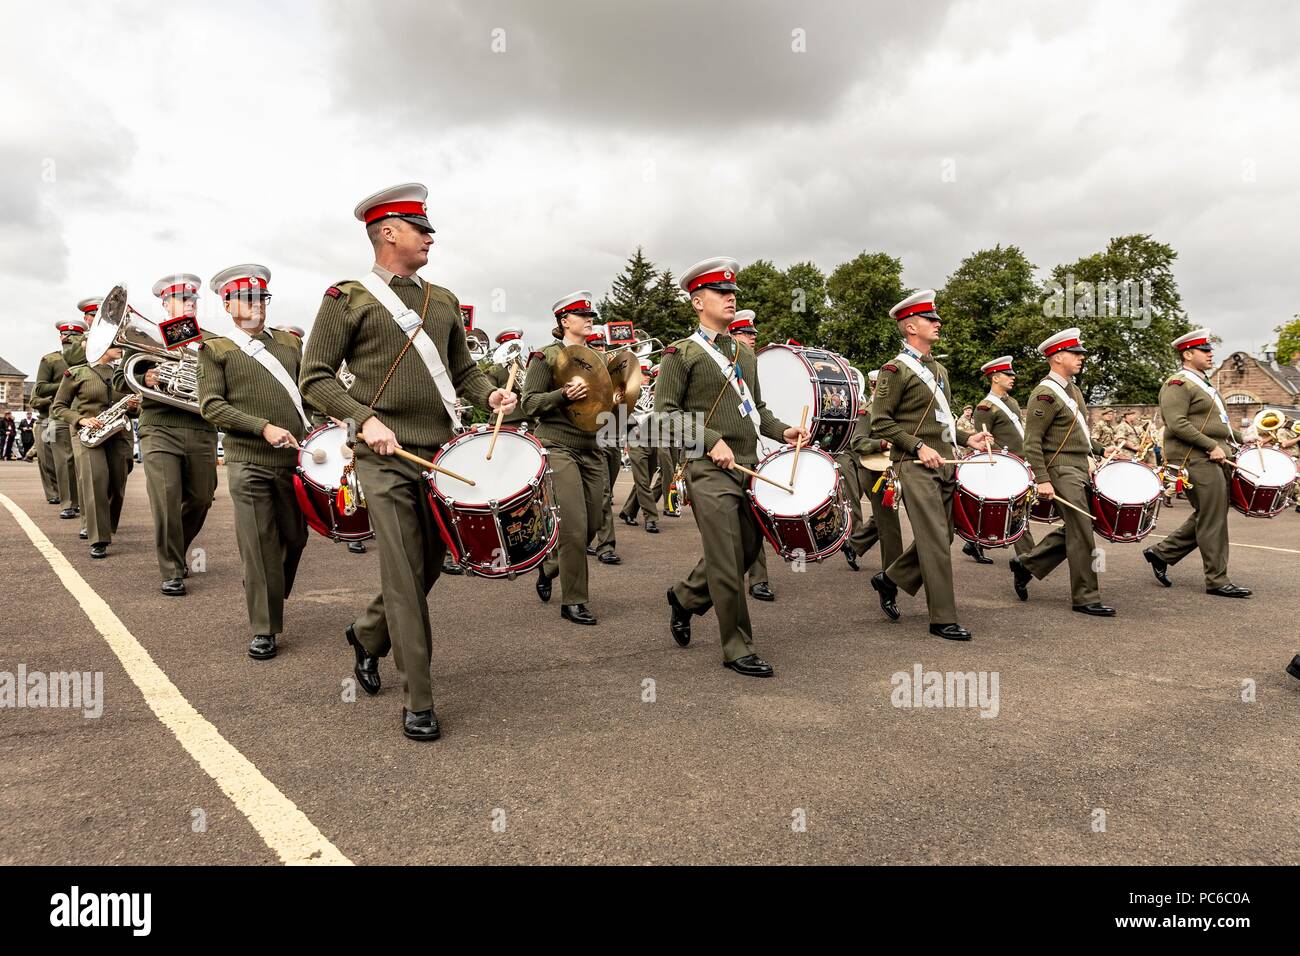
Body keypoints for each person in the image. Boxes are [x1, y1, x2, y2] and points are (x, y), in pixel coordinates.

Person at [300, 182, 515, 741]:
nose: (430, 237)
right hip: (384, 453)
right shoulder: (346, 298)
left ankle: (367, 635)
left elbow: (463, 370)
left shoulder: (441, 300)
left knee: (427, 566)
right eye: (421, 229)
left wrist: (490, 393)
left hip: (439, 453)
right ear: (388, 233)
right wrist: (363, 418)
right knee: (401, 567)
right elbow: (316, 378)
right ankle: (419, 698)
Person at [657, 257, 806, 676]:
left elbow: (756, 408)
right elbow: (665, 414)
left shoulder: (743, 352)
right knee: (725, 556)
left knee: (744, 552)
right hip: (708, 469)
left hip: (750, 466)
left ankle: (684, 597)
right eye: (721, 293)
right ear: (697, 302)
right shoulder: (680, 354)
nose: (731, 298)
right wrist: (709, 440)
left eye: (732, 292)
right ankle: (737, 647)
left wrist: (784, 431)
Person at [198, 264, 311, 660]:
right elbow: (211, 405)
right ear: (229, 305)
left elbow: (306, 395)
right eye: (247, 299)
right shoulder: (215, 349)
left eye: (261, 298)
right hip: (249, 462)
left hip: (295, 460)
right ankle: (264, 626)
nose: (257, 305)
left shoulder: (288, 344)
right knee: (260, 545)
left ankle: (269, 590)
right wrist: (261, 427)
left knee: (296, 538)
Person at [868, 290, 992, 641]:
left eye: (936, 318)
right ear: (910, 326)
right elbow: (880, 422)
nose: (938, 323)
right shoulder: (895, 370)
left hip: (945, 463)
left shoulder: (939, 369)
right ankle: (943, 617)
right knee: (936, 539)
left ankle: (889, 579)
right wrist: (917, 446)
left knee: (947, 533)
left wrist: (969, 439)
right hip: (913, 464)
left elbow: (944, 421)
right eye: (930, 319)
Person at [118, 275, 218, 596]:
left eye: (192, 299)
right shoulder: (148, 337)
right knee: (165, 497)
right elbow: (118, 382)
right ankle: (172, 568)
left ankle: (177, 545)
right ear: (165, 304)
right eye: (180, 299)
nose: (189, 303)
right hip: (159, 426)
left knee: (202, 497)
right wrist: (146, 375)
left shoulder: (211, 341)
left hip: (201, 428)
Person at [1009, 327, 1115, 616]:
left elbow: (1075, 431)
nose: (1081, 358)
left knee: (1078, 527)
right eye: (1074, 353)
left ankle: (1027, 563)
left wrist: (1099, 448)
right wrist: (1042, 479)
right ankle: (1085, 597)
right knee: (1082, 532)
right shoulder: (1044, 394)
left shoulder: (1074, 390)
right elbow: (1032, 442)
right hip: (1060, 469)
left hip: (1081, 465)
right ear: (1056, 357)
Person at [1141, 329, 1251, 598]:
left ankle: (1161, 552)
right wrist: (1210, 445)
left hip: (1214, 455)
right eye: (1204, 350)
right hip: (1196, 458)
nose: (1211, 353)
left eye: (1210, 349)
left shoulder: (1205, 384)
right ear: (1188, 354)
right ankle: (1217, 579)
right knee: (1213, 518)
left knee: (1211, 513)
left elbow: (1219, 426)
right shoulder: (1177, 384)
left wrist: (1244, 439)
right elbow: (1177, 423)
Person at [521, 292, 609, 624]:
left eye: (591, 315)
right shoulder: (545, 356)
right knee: (573, 525)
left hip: (591, 447)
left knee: (593, 524)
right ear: (564, 321)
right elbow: (529, 403)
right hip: (557, 446)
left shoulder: (597, 358)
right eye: (583, 315)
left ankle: (548, 567)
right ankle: (573, 600)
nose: (590, 320)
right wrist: (562, 395)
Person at [51, 344, 138, 558]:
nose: (121, 349)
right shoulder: (76, 373)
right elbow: (59, 406)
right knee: (95, 480)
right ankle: (98, 538)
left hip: (118, 434)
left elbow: (135, 411)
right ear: (101, 346)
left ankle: (101, 523)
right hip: (87, 434)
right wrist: (80, 419)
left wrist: (135, 406)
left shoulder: (123, 374)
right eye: (115, 345)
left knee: (118, 484)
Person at [726, 310, 775, 600]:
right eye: (745, 333)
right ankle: (699, 588)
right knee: (726, 535)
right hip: (716, 457)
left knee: (755, 520)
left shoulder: (750, 363)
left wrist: (782, 432)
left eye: (754, 332)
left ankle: (758, 579)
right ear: (730, 335)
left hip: (749, 452)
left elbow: (758, 406)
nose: (752, 337)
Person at [972, 355, 1035, 557]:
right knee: (1016, 511)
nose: (1012, 377)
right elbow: (984, 441)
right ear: (995, 378)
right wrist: (1006, 460)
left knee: (1013, 509)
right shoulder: (985, 407)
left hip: (1021, 461)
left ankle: (975, 543)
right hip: (1005, 464)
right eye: (1007, 374)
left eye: (1012, 374)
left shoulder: (1013, 402)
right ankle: (1028, 558)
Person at [840, 369, 902, 573]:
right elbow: (857, 442)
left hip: (890, 469)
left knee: (881, 517)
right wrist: (883, 443)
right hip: (873, 472)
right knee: (889, 523)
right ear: (876, 386)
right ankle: (893, 574)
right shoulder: (868, 410)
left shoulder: (893, 408)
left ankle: (853, 545)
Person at [32, 310, 92, 515]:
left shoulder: (91, 358)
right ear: (61, 337)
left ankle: (88, 504)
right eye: (66, 337)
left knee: (86, 462)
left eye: (73, 337)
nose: (67, 340)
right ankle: (69, 504)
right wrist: (66, 384)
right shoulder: (50, 360)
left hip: (87, 413)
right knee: (64, 462)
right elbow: (39, 389)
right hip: (58, 416)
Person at [584, 326, 623, 567]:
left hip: (612, 434)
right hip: (592, 435)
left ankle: (586, 536)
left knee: (602, 493)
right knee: (603, 493)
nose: (600, 350)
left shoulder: (613, 369)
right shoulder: (581, 369)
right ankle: (606, 545)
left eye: (602, 346)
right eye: (595, 346)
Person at [619, 359, 663, 534]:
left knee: (644, 479)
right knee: (643, 482)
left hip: (653, 440)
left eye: (648, 375)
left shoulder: (654, 393)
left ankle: (628, 511)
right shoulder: (629, 393)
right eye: (644, 375)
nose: (647, 378)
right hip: (636, 440)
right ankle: (651, 518)